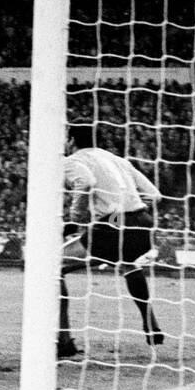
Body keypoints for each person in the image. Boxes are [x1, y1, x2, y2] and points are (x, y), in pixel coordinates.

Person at [60, 124, 164, 357]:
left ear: (72, 139)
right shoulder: (117, 159)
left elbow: (85, 182)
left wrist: (74, 220)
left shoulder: (73, 160)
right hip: (142, 224)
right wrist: (132, 212)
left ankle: (64, 340)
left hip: (112, 227)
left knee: (53, 266)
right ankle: (150, 322)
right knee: (128, 263)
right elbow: (155, 195)